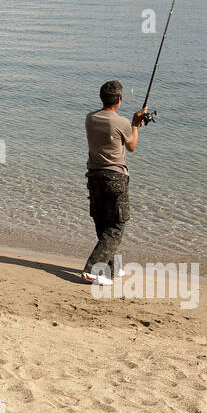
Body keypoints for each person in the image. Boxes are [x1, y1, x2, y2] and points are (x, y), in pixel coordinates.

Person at [82, 80, 147, 284]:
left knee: (103, 222)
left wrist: (132, 124)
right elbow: (132, 146)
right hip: (115, 178)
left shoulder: (90, 118)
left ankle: (114, 268)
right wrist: (135, 125)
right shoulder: (122, 122)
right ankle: (92, 269)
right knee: (117, 225)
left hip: (94, 176)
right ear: (119, 99)